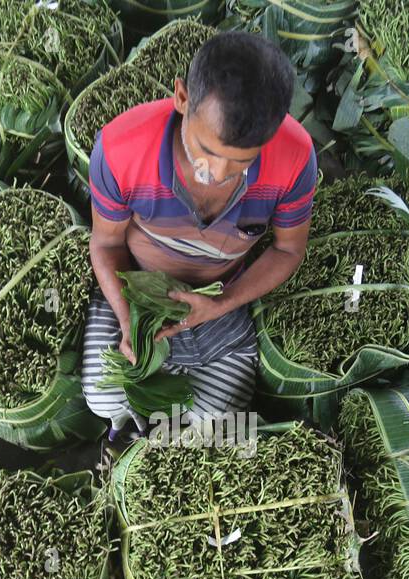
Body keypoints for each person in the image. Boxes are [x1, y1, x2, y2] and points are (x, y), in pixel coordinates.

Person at [81, 32, 316, 440]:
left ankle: (164, 431)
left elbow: (287, 248)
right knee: (104, 401)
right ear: (182, 98)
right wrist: (128, 321)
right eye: (206, 148)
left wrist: (221, 303)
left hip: (217, 297)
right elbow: (105, 244)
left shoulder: (294, 157)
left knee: (214, 421)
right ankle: (126, 430)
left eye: (242, 161)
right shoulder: (121, 148)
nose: (219, 172)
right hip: (138, 288)